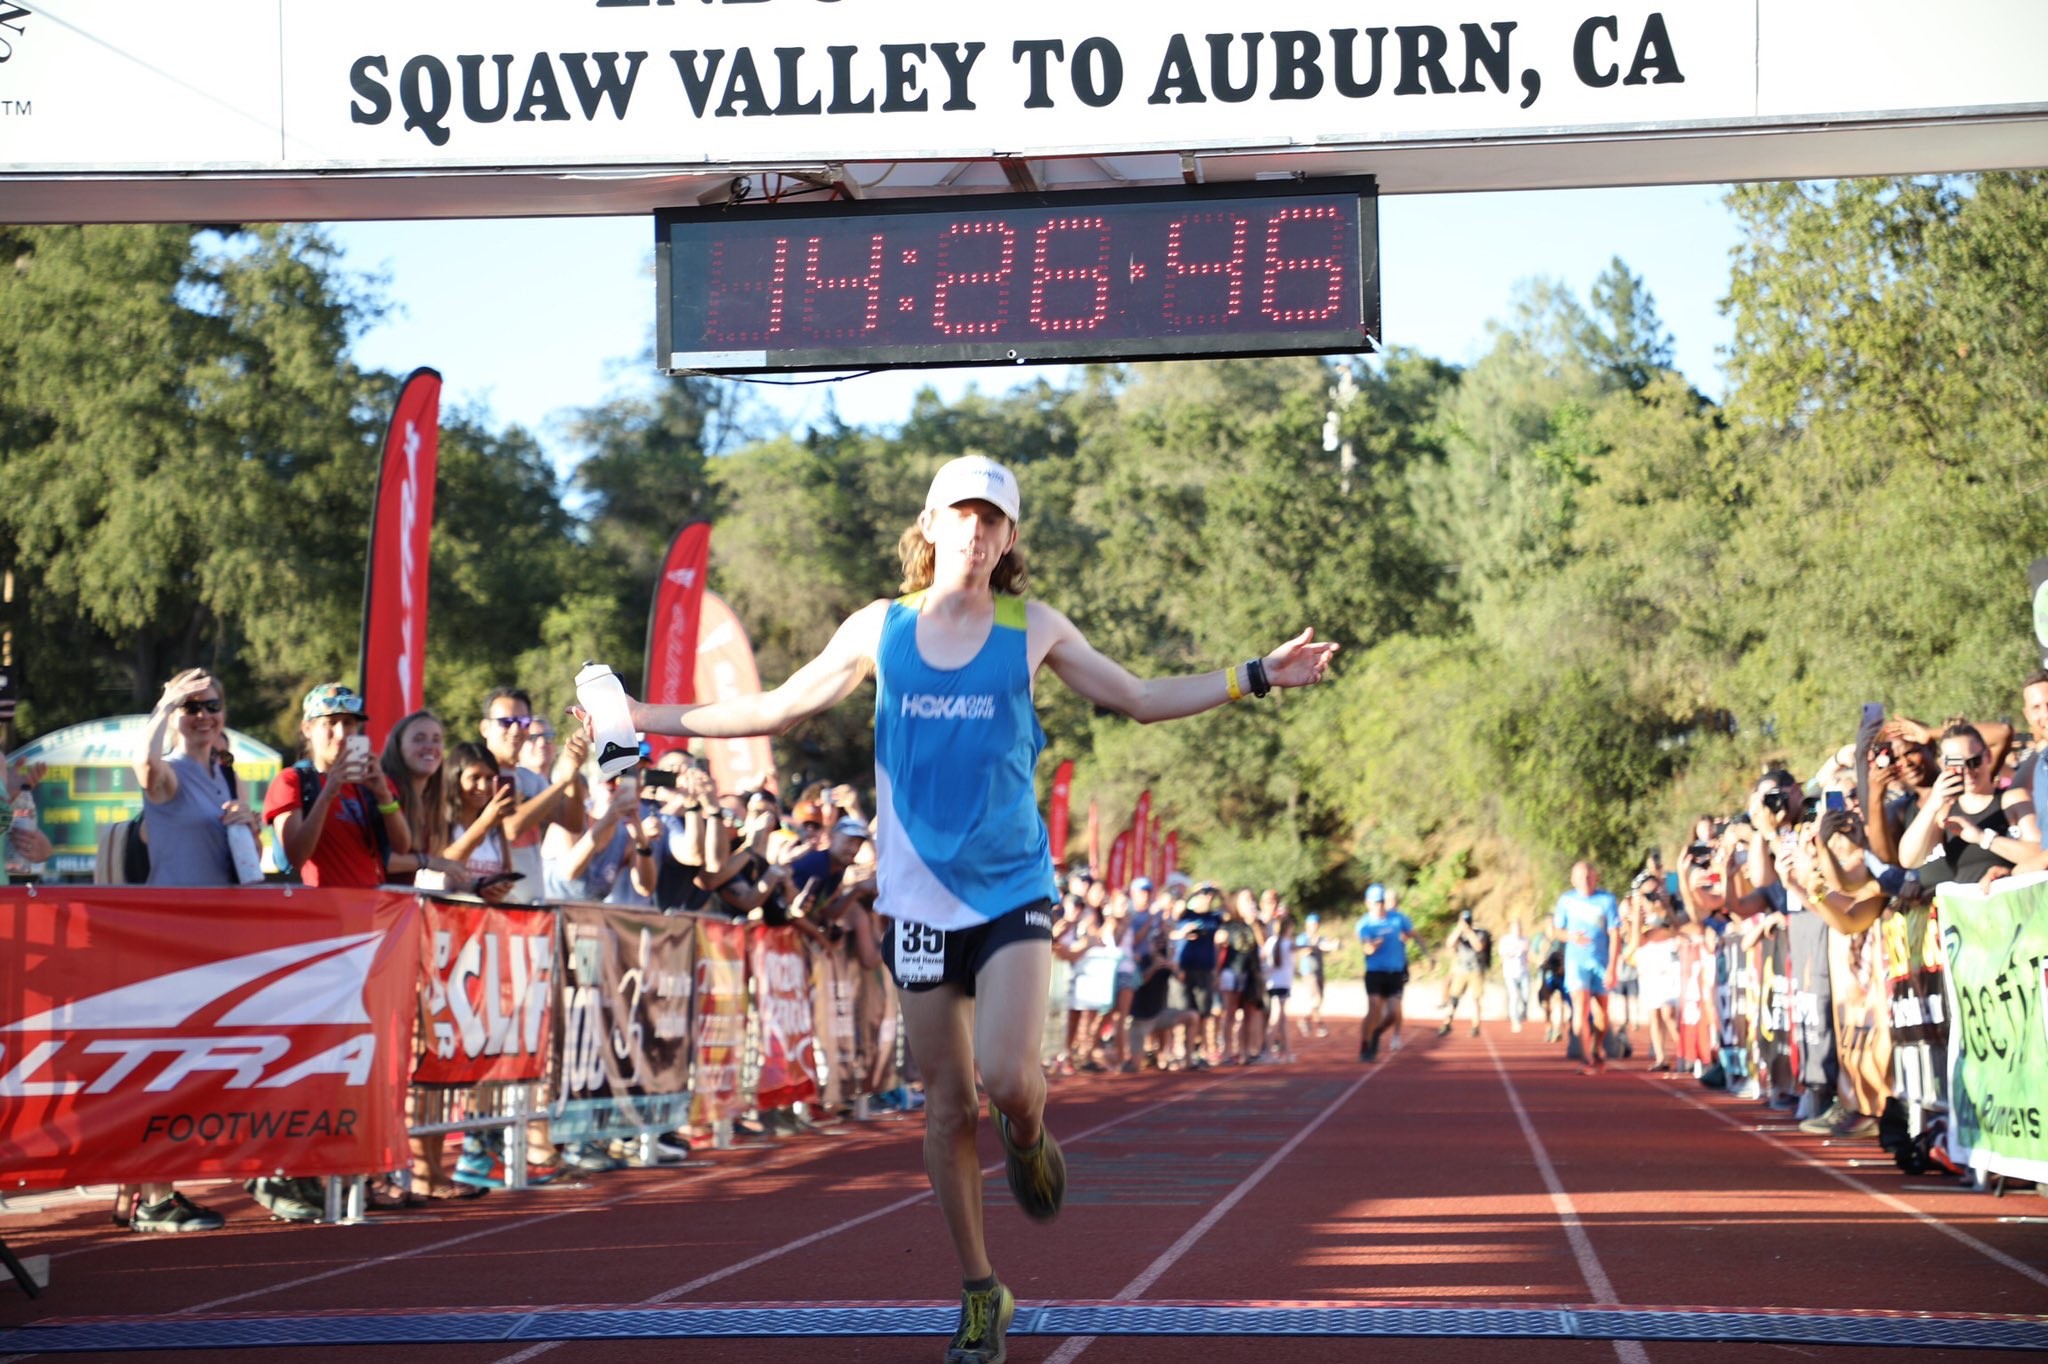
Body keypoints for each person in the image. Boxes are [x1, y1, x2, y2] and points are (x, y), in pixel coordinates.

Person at [610, 453, 1337, 1363]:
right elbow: (775, 708)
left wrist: (1256, 675)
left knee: (1005, 1078)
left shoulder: (1032, 628)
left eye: (995, 519)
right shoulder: (881, 627)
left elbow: (1142, 699)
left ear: (1010, 540)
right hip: (917, 900)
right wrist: (644, 714)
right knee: (949, 1106)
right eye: (965, 514)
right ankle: (982, 1291)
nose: (979, 530)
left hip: (1011, 888)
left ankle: (1029, 1130)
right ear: (931, 525)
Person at [116, 667, 255, 1232]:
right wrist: (165, 700)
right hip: (169, 941)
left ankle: (161, 1187)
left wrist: (248, 827)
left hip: (213, 942)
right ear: (174, 715)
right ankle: (153, 1197)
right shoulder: (170, 772)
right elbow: (142, 767)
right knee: (164, 1068)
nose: (201, 715)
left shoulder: (223, 780)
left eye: (210, 705)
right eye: (189, 707)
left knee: (195, 1070)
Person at [1552, 861, 1621, 1076]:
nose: (1586, 881)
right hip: (1576, 962)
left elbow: (1615, 935)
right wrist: (1571, 936)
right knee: (1580, 1009)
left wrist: (1612, 967)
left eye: (1589, 877)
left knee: (1602, 1013)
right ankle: (1587, 1059)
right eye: (1581, 877)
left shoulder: (1607, 900)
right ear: (1573, 879)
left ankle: (1597, 1046)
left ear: (1596, 878)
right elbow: (1556, 931)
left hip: (1600, 962)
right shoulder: (1566, 900)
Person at [1357, 883, 1414, 1061]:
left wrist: (1427, 953)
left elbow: (1412, 933)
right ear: (1368, 903)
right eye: (1375, 902)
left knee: (1393, 1013)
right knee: (1374, 1007)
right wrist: (1371, 947)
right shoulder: (1364, 923)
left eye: (1381, 902)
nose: (1379, 905)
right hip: (1375, 972)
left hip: (1395, 972)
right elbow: (1365, 945)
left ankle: (1376, 1032)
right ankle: (1365, 1045)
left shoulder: (1397, 919)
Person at [1439, 910, 1488, 1038]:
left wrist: (1469, 931)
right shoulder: (1459, 934)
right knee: (1454, 997)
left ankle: (1475, 1026)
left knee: (1476, 999)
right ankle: (1447, 1023)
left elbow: (1478, 946)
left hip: (1476, 970)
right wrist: (1459, 930)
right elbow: (1449, 944)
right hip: (1461, 970)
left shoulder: (1480, 933)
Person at [1497, 918, 1531, 1034]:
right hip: (1510, 973)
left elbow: (1528, 956)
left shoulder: (1525, 939)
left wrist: (1527, 953)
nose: (1517, 930)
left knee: (1526, 996)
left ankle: (1523, 1013)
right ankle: (1515, 1021)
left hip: (1524, 972)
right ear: (1511, 929)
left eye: (1519, 927)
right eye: (1515, 928)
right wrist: (1514, 952)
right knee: (1514, 996)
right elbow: (1502, 957)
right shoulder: (1505, 940)